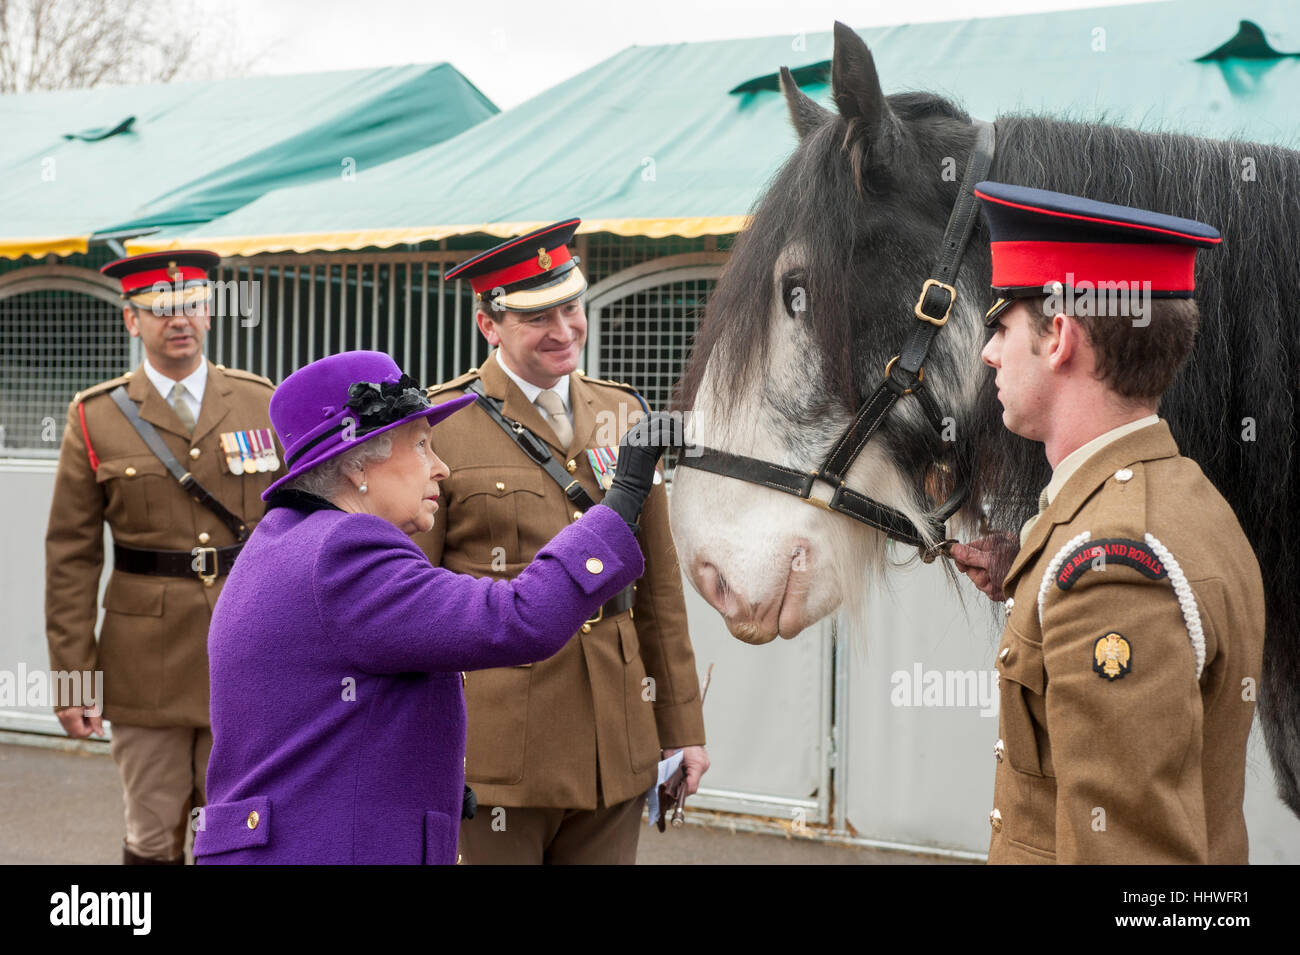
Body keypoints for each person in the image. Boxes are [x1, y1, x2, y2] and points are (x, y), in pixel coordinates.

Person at [194, 350, 672, 864]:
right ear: (357, 464)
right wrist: (621, 500)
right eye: (421, 445)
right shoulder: (345, 552)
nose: (442, 468)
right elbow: (517, 618)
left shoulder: (285, 538)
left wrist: (423, 787)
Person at [952, 182, 1265, 864]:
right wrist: (1030, 573)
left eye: (1001, 326)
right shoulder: (1181, 496)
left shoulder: (1112, 563)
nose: (989, 353)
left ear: (1060, 336)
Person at [417, 219, 708, 864]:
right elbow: (415, 604)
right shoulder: (441, 426)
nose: (564, 329)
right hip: (497, 750)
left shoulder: (624, 413)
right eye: (536, 317)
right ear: (488, 325)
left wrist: (681, 728)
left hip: (616, 739)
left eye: (571, 307)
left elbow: (658, 590)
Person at [44, 250, 280, 864]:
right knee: (152, 833)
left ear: (208, 313)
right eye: (161, 309)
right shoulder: (96, 417)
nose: (180, 320)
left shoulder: (260, 403)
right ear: (131, 321)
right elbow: (70, 557)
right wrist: (74, 681)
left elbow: (296, 524)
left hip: (247, 651)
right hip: (144, 663)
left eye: (192, 306)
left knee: (237, 828)